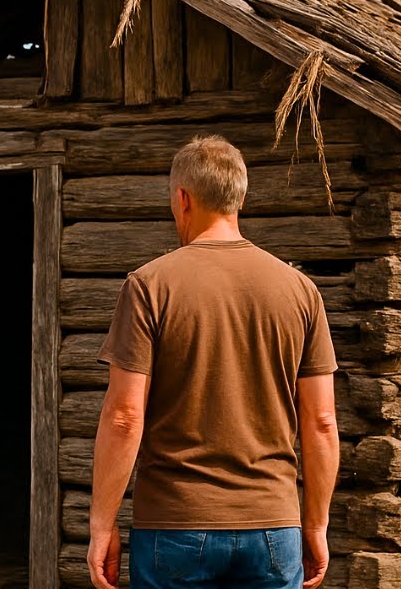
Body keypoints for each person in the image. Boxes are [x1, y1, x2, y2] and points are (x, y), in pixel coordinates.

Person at [87, 134, 340, 589]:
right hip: (273, 526)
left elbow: (125, 416)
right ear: (239, 198)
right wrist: (316, 525)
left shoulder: (149, 286)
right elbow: (321, 421)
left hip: (173, 524)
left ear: (183, 198)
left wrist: (101, 525)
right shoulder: (301, 291)